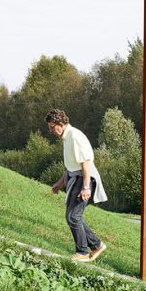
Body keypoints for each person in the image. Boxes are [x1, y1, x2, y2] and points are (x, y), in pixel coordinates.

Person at [45, 108, 108, 263]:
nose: (52, 131)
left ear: (61, 123)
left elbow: (85, 163)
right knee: (73, 217)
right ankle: (97, 245)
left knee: (73, 216)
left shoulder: (75, 136)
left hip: (84, 179)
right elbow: (71, 166)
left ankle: (82, 252)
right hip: (76, 177)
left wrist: (86, 187)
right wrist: (60, 183)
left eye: (53, 127)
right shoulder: (67, 138)